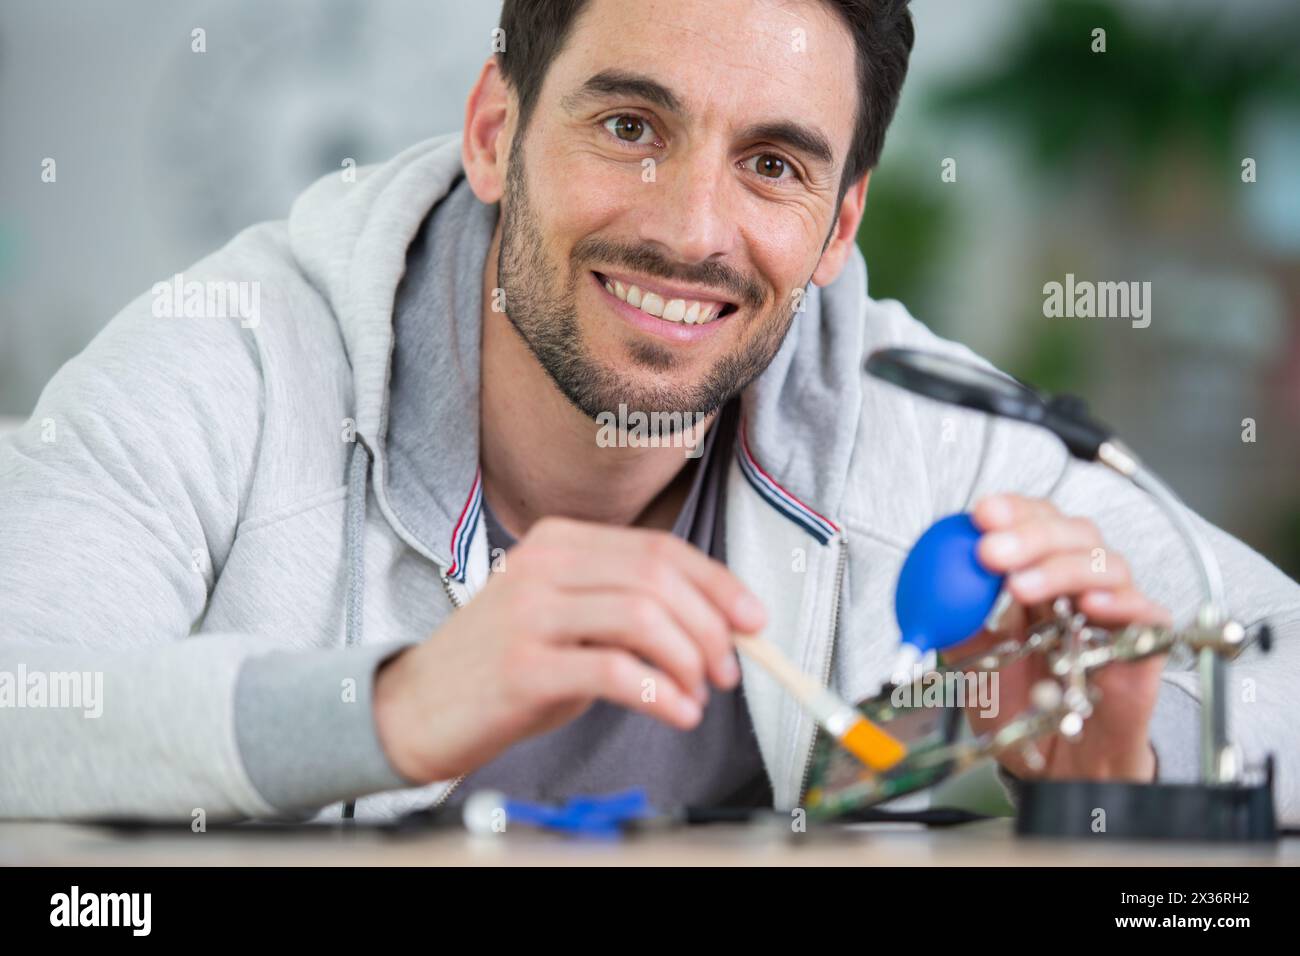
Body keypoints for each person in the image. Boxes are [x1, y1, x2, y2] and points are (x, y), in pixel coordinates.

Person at [2, 0, 1296, 824]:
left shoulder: (917, 424)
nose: (690, 231)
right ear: (495, 129)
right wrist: (389, 709)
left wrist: (1125, 790)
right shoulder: (230, 360)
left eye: (775, 166)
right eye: (630, 125)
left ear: (839, 224)